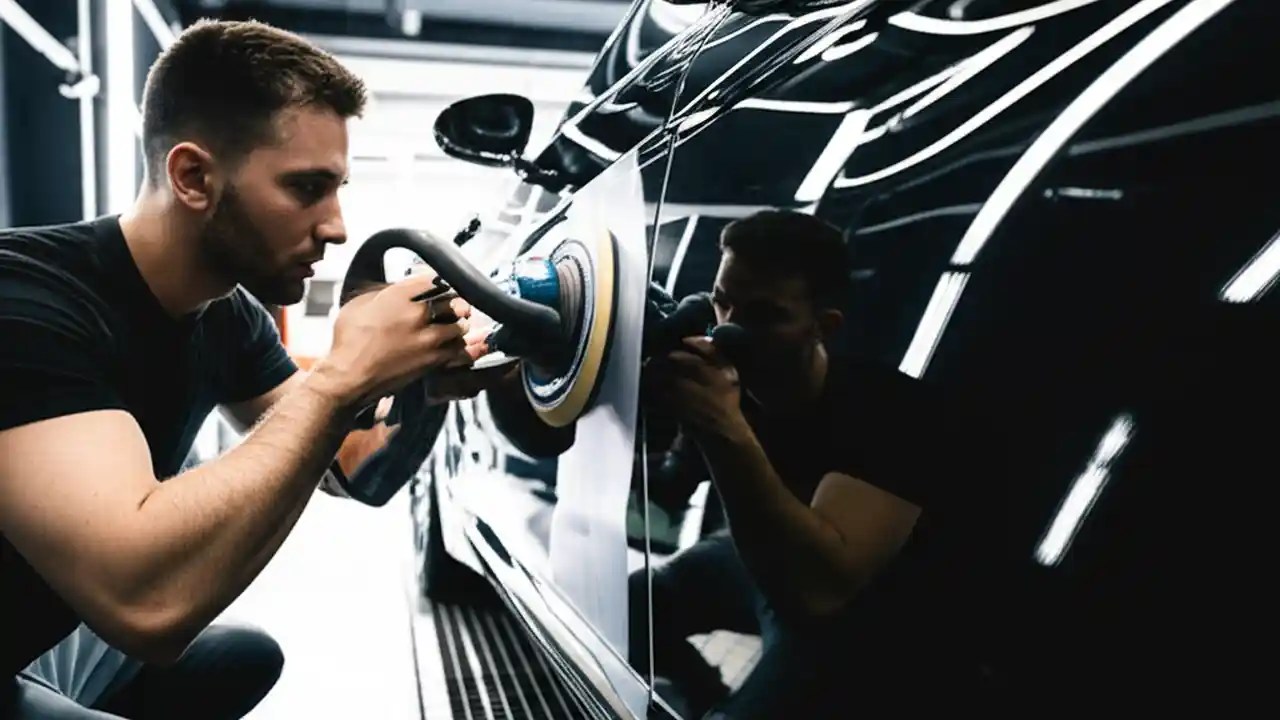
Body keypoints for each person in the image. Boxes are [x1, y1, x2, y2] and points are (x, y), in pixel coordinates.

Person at [0, 20, 497, 719]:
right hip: (78, 617)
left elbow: (351, 466)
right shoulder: (26, 300)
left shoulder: (225, 314)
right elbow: (143, 603)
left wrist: (425, 386)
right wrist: (339, 378)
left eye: (338, 188)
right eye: (306, 188)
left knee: (245, 655)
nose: (337, 226)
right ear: (194, 177)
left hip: (45, 628)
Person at [630, 210, 1001, 718]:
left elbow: (819, 590)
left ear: (821, 327)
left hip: (869, 608)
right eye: (723, 302)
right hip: (761, 560)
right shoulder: (732, 380)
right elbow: (668, 488)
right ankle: (705, 694)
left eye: (763, 315)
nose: (729, 331)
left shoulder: (892, 414)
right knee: (637, 606)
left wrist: (722, 429)